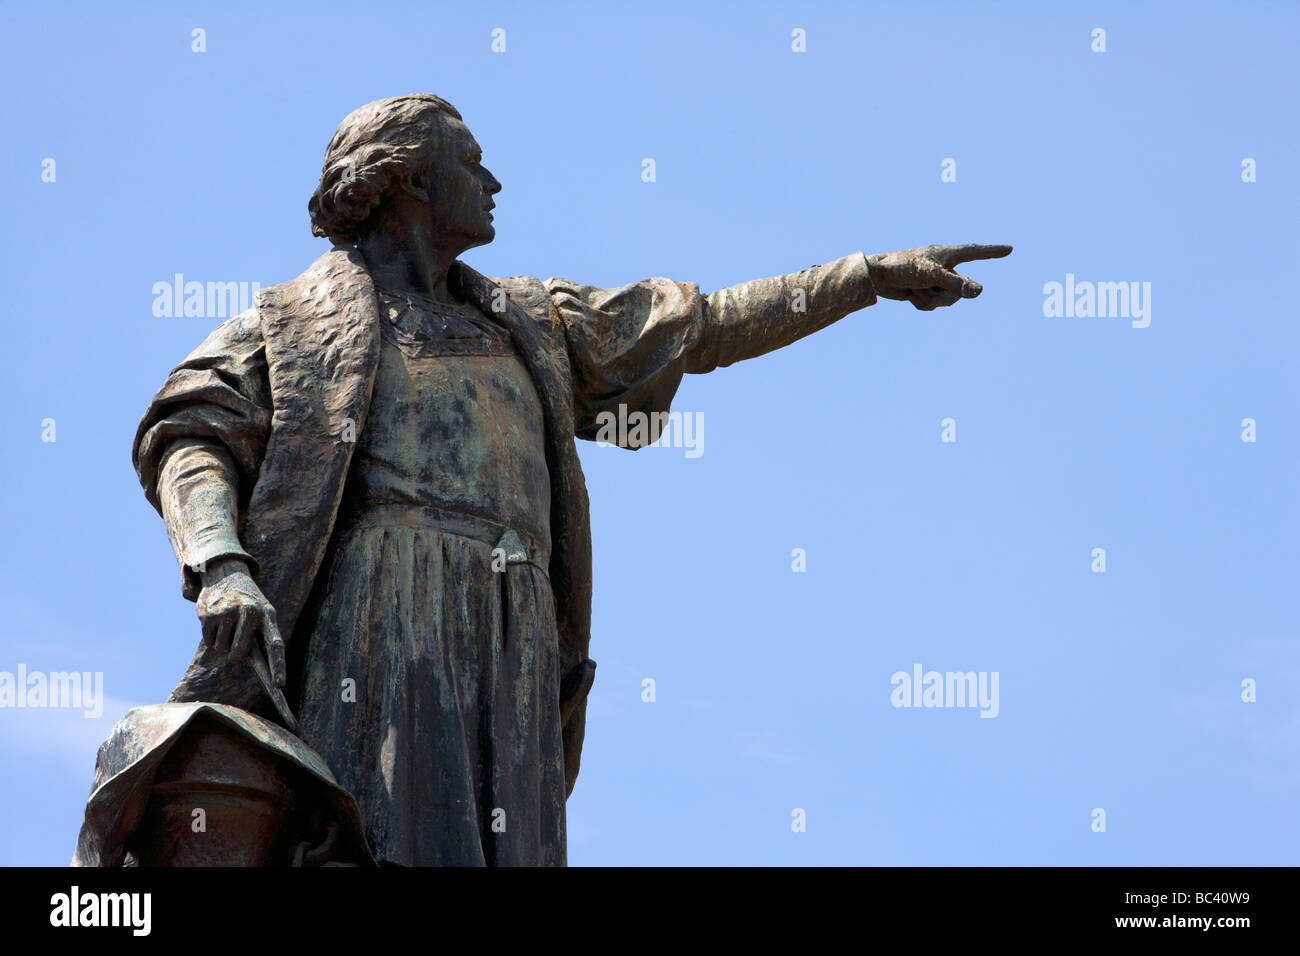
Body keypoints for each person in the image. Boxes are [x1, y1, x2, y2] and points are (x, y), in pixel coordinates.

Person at [77, 93, 1011, 866]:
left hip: (514, 625)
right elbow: (189, 428)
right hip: (376, 613)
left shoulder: (532, 323)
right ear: (405, 179)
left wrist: (862, 277)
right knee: (378, 841)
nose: (492, 183)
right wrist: (221, 562)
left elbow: (699, 324)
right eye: (472, 162)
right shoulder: (290, 322)